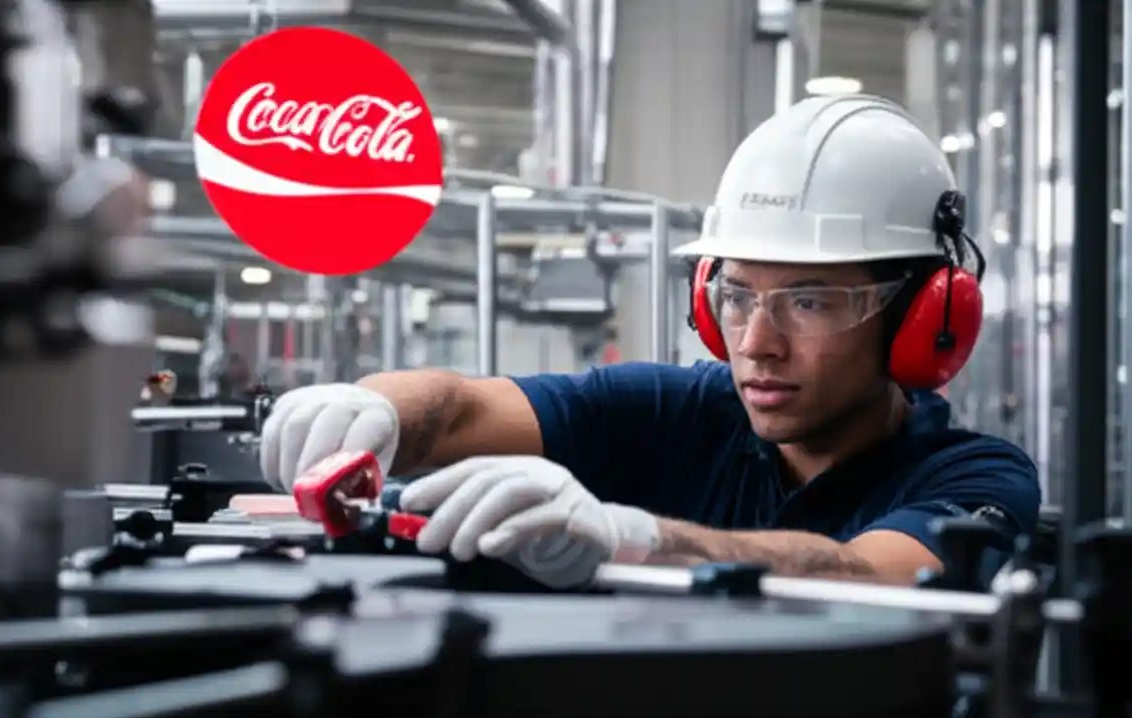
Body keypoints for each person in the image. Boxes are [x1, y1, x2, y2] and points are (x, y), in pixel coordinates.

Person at [258, 95, 1041, 590]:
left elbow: (873, 572)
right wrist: (375, 411)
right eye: (736, 297)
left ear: (924, 320)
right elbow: (460, 409)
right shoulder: (675, 410)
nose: (758, 344)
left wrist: (635, 540)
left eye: (810, 300)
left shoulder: (975, 475)